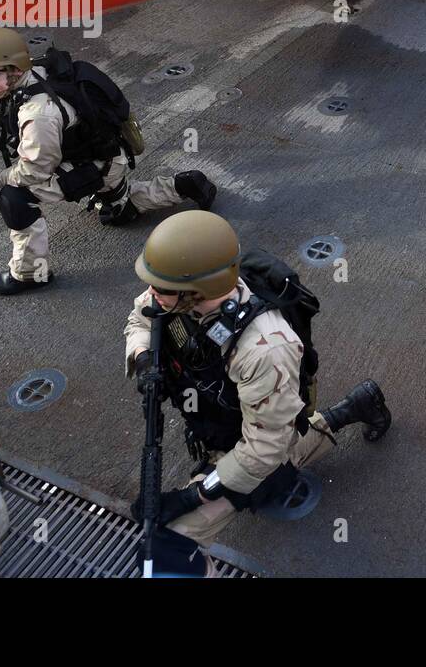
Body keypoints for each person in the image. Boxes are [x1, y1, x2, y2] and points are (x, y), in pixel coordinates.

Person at [124, 211, 391, 552]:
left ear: (195, 292)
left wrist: (195, 494)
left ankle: (343, 414)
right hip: (228, 420)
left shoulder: (263, 350)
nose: (151, 292)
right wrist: (144, 358)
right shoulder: (176, 296)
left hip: (255, 443)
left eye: (160, 286)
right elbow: (141, 317)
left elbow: (262, 451)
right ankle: (354, 406)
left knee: (169, 544)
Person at [0, 27, 216, 295]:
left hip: (98, 165)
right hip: (96, 153)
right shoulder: (35, 72)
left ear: (14, 69)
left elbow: (34, 171)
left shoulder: (39, 114)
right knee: (118, 207)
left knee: (16, 198)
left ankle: (29, 274)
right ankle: (183, 185)